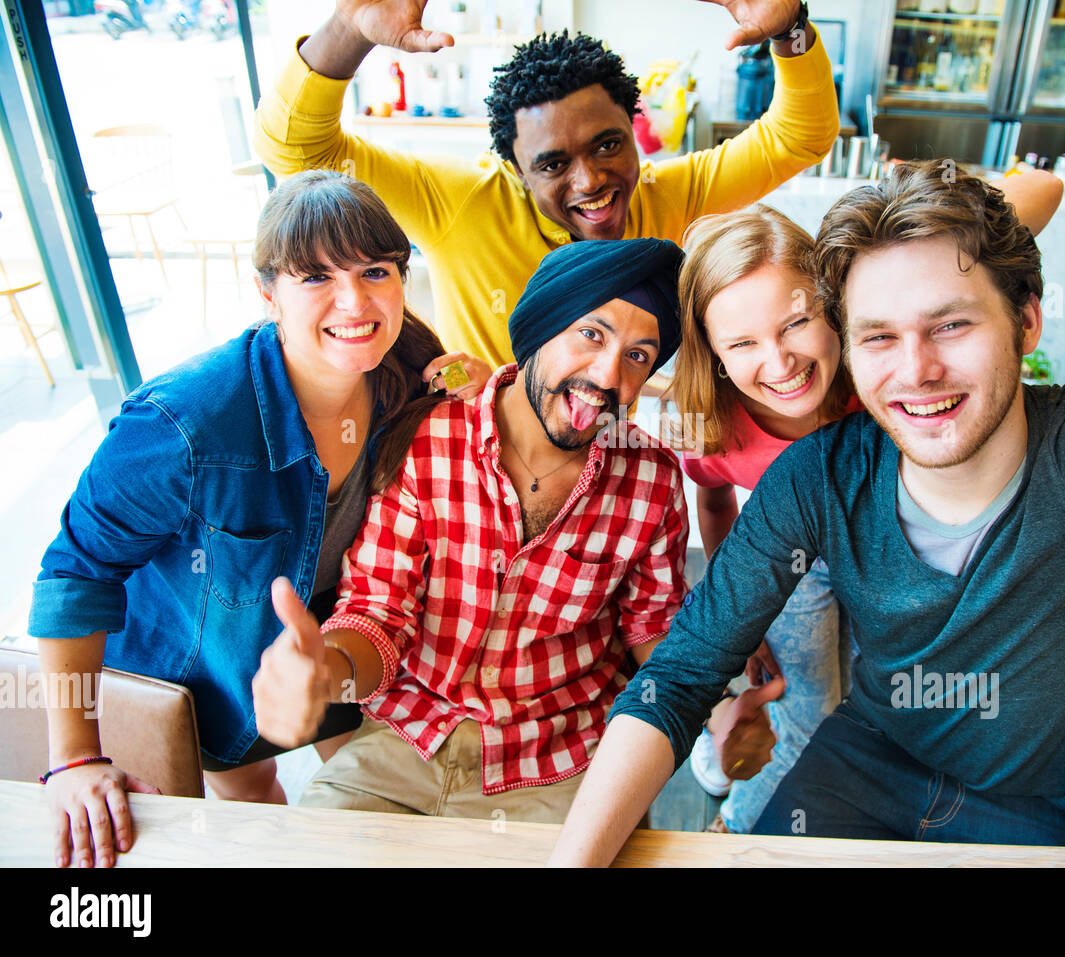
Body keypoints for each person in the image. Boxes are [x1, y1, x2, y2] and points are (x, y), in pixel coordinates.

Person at [547, 159, 1065, 865]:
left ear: (1027, 322)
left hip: (1030, 812)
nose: (915, 370)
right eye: (878, 336)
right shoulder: (817, 474)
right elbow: (677, 676)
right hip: (858, 769)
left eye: (951, 325)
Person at [30, 169, 489, 868]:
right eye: (316, 277)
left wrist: (478, 386)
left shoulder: (409, 362)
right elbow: (74, 570)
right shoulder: (184, 421)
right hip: (208, 662)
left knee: (373, 797)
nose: (355, 301)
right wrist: (72, 758)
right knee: (251, 794)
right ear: (267, 292)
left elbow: (463, 393)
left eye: (375, 270)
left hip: (340, 636)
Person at [673, 172, 1063, 833]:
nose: (780, 361)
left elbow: (1045, 188)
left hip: (891, 554)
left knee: (877, 691)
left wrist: (925, 238)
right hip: (795, 570)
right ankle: (737, 824)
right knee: (810, 705)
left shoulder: (879, 369)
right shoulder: (714, 427)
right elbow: (713, 506)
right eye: (741, 343)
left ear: (836, 305)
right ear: (712, 354)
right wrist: (749, 606)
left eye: (797, 321)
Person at [250, 238, 691, 822]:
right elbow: (378, 610)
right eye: (591, 334)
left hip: (561, 763)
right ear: (540, 330)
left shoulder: (652, 481)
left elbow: (652, 630)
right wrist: (326, 671)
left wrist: (708, 702)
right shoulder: (429, 439)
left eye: (638, 356)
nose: (608, 374)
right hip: (404, 743)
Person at [253, 0, 841, 368]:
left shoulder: (669, 194)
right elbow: (295, 149)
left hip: (601, 460)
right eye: (553, 164)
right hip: (474, 468)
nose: (591, 181)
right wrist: (348, 28)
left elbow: (800, 136)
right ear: (514, 169)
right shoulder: (464, 202)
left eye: (608, 144)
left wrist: (790, 29)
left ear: (635, 131)